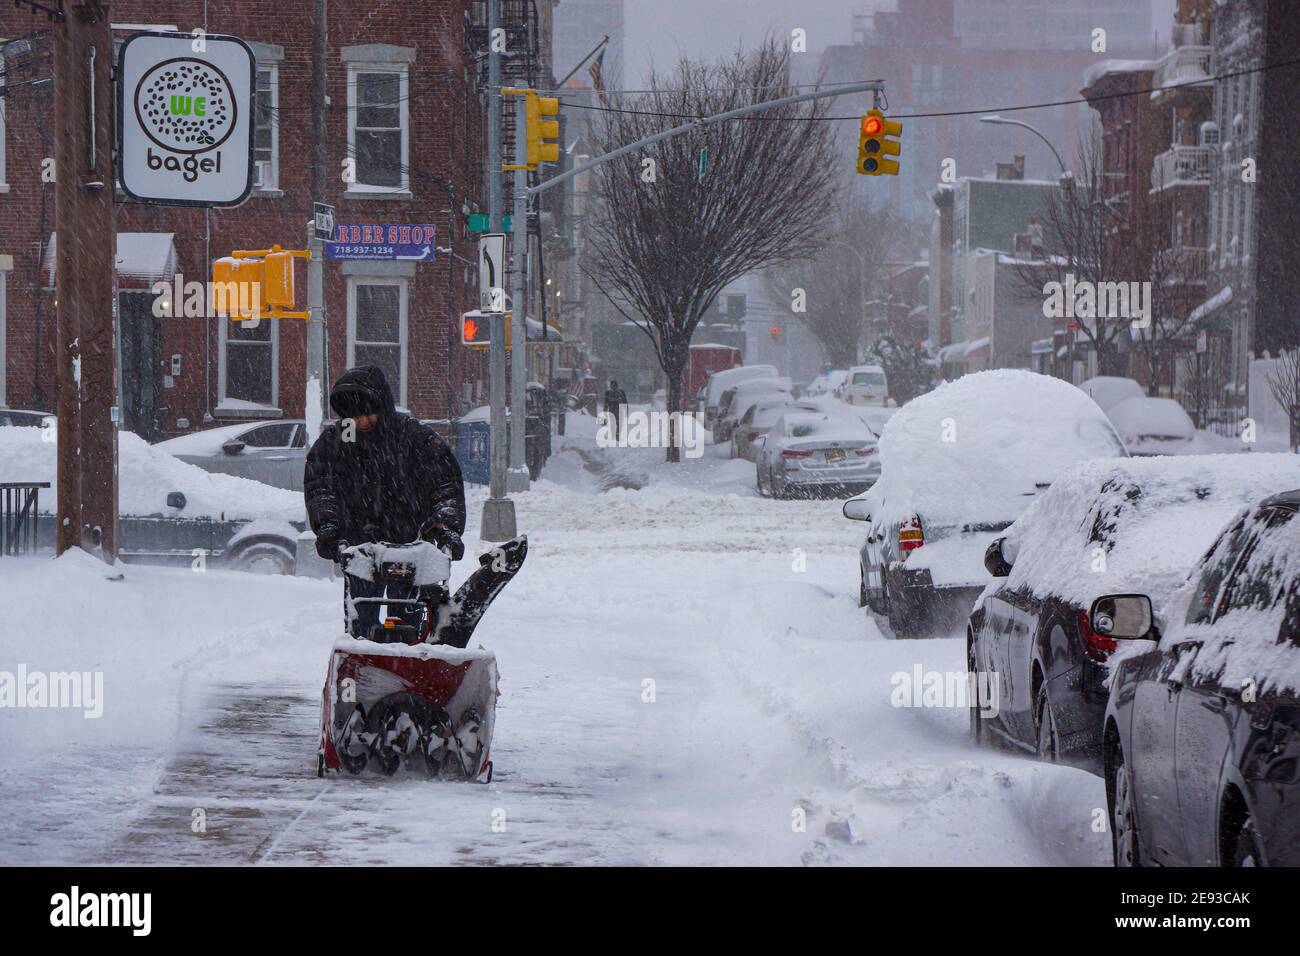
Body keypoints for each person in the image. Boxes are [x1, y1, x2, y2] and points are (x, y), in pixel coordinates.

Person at [304, 365, 466, 637]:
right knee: (362, 619)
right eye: (354, 416)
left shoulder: (413, 437)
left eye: (368, 413)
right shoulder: (337, 441)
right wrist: (328, 526)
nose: (362, 422)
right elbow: (321, 487)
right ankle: (362, 658)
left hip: (410, 546)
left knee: (408, 621)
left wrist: (447, 526)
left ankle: (409, 660)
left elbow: (445, 483)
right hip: (359, 547)